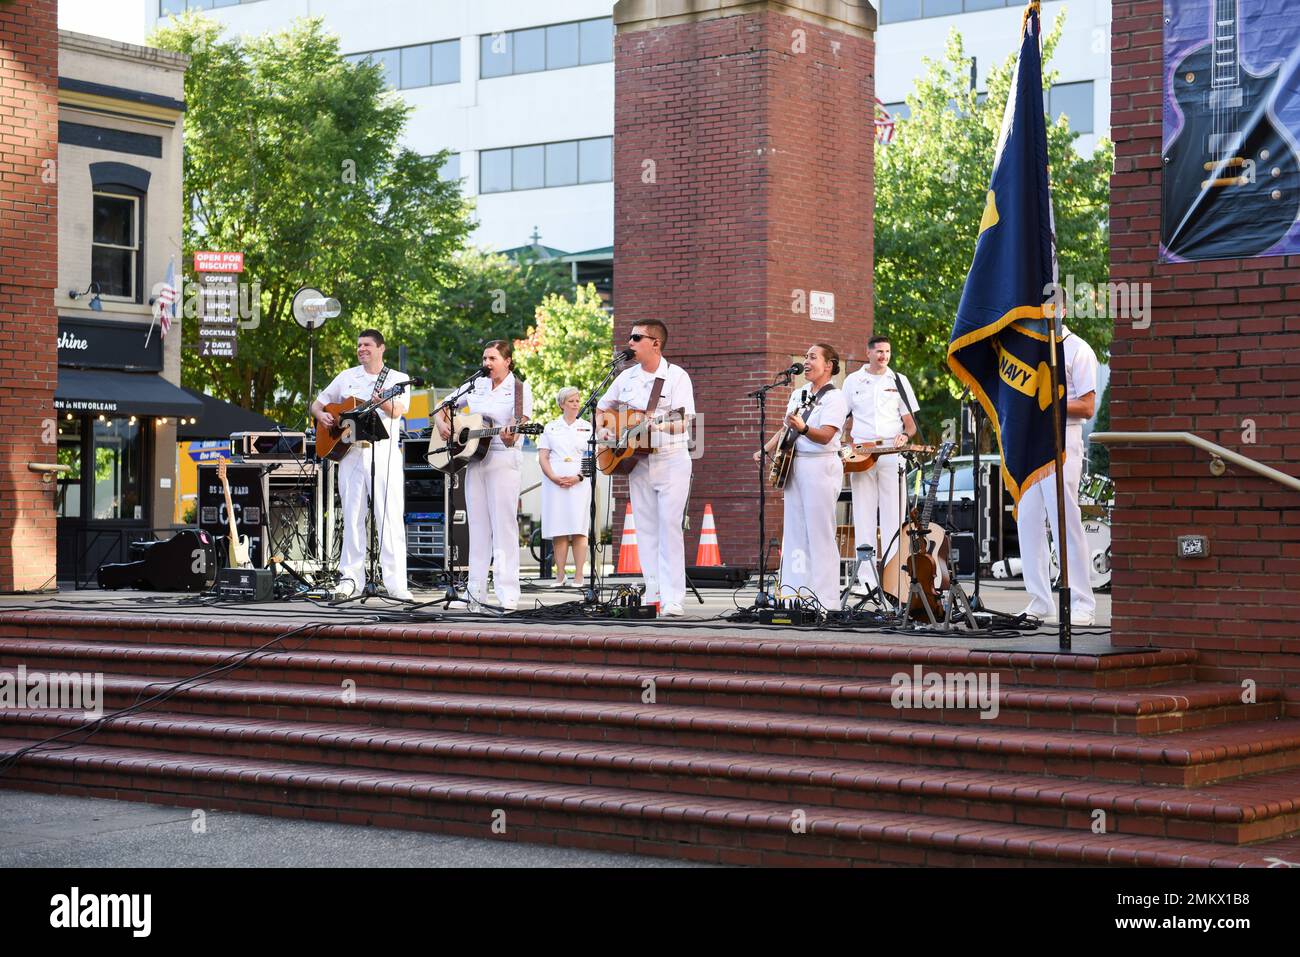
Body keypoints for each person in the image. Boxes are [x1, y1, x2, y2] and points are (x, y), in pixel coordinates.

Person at [597, 321, 695, 617]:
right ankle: (652, 591)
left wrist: (660, 423)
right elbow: (602, 408)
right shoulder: (626, 377)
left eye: (637, 338)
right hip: (636, 461)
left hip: (670, 458)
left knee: (669, 527)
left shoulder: (676, 377)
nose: (630, 342)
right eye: (630, 337)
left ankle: (673, 597)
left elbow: (685, 421)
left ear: (656, 343)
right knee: (645, 529)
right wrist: (604, 430)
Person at [310, 329, 412, 601]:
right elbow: (317, 405)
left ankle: (396, 584)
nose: (361, 348)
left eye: (367, 344)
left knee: (388, 518)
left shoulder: (397, 379)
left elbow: (400, 410)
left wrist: (383, 403)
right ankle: (350, 579)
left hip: (384, 453)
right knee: (352, 517)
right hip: (351, 453)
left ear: (381, 348)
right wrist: (322, 417)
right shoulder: (347, 376)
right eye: (359, 345)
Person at [436, 340, 532, 610]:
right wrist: (443, 422)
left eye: (492, 358)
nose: (487, 363)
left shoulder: (520, 389)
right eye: (485, 358)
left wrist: (511, 431)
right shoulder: (476, 384)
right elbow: (444, 405)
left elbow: (520, 423)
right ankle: (474, 592)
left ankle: (507, 593)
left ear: (507, 361)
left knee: (503, 527)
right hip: (475, 458)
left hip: (502, 457)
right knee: (477, 526)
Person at [755, 343, 848, 612]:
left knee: (819, 533)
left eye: (812, 357)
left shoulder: (835, 398)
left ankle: (826, 600)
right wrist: (766, 449)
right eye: (805, 357)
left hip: (821, 467)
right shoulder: (799, 393)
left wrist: (805, 428)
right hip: (794, 465)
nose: (806, 362)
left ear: (828, 365)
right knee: (794, 533)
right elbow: (786, 428)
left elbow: (827, 435)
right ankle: (793, 595)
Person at [1017, 323, 1099, 626]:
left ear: (1062, 310)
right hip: (1030, 440)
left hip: (1063, 437)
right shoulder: (1026, 348)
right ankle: (1040, 601)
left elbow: (1088, 407)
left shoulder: (1079, 348)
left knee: (1064, 519)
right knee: (1027, 519)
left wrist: (1045, 404)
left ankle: (1082, 602)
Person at [841, 334, 919, 595]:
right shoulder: (853, 381)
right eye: (879, 352)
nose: (884, 356)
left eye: (887, 351)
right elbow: (841, 418)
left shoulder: (899, 380)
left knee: (893, 516)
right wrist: (842, 447)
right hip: (862, 452)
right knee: (862, 514)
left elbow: (910, 425)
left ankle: (893, 576)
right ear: (869, 353)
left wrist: (904, 436)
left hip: (891, 451)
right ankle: (865, 580)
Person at [538, 386, 593, 588]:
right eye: (571, 401)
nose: (576, 404)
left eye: (578, 400)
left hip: (579, 483)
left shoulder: (587, 427)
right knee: (559, 528)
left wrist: (579, 476)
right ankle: (560, 576)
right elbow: (543, 456)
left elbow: (591, 456)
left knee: (579, 529)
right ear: (562, 404)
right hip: (555, 484)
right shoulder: (550, 427)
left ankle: (579, 576)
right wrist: (553, 477)